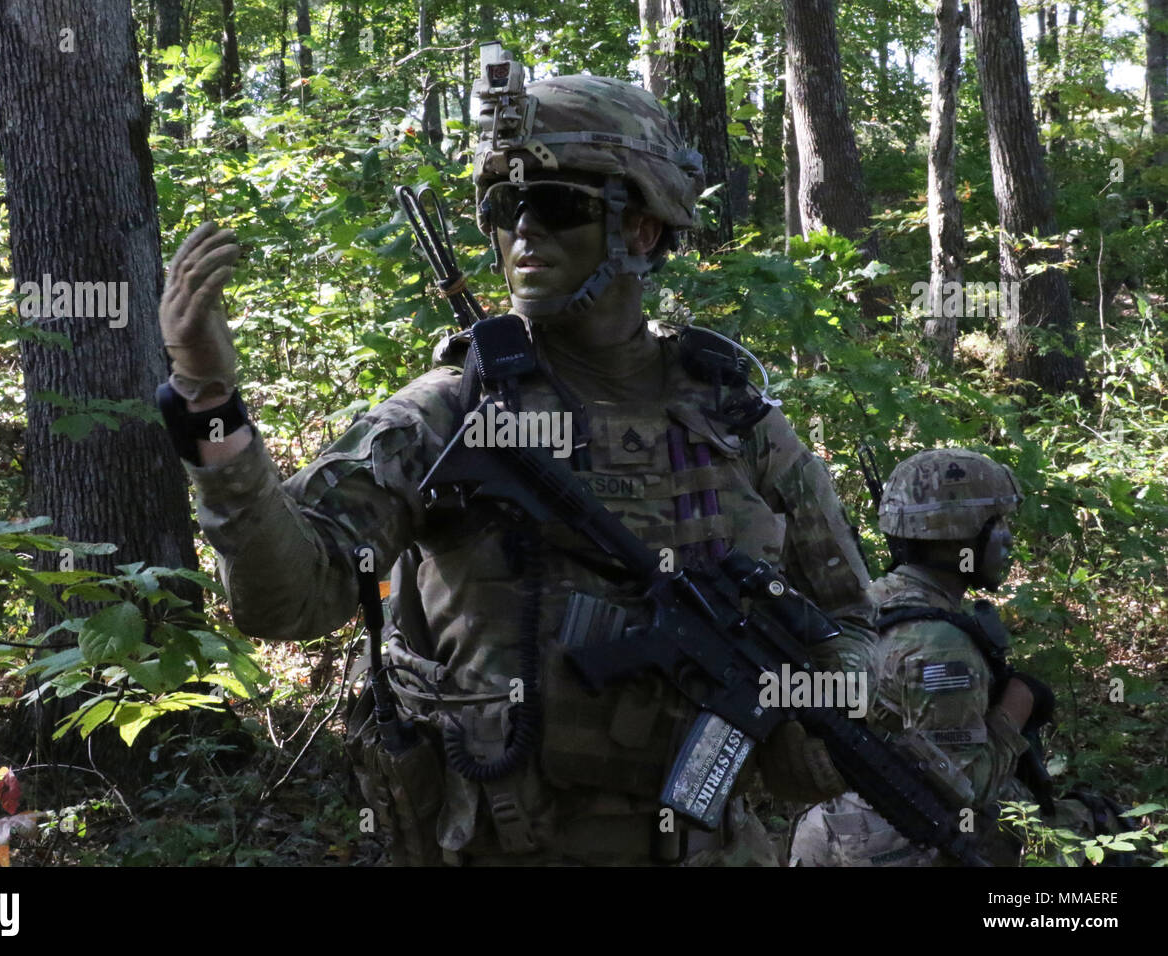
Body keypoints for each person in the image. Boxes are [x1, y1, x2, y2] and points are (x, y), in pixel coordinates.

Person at [157, 52, 875, 865]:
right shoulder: (449, 409)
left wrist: (824, 708)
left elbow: (851, 619)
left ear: (642, 227)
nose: (523, 230)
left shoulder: (735, 419)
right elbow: (289, 600)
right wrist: (213, 411)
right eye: (504, 204)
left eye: (557, 203)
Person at [790, 449, 1104, 866]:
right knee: (1101, 827)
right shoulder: (939, 646)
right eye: (997, 525)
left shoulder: (870, 600)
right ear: (959, 536)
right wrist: (1018, 704)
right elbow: (962, 791)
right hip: (893, 844)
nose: (1008, 538)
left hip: (832, 831)